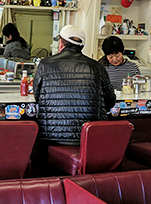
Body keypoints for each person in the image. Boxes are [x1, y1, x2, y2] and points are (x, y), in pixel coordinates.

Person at [34, 25, 116, 173]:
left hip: (52, 137)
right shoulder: (97, 67)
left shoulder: (45, 65)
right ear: (82, 46)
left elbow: (37, 97)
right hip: (90, 138)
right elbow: (110, 101)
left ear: (61, 43)